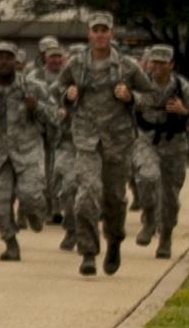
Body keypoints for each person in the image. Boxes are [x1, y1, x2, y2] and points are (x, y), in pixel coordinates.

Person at [55, 15, 145, 278]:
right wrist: (67, 96)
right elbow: (57, 88)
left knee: (114, 198)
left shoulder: (127, 67)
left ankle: (114, 241)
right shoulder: (76, 64)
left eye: (105, 30)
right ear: (89, 35)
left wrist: (131, 97)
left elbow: (150, 96)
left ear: (112, 33)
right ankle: (88, 253)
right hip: (86, 140)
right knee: (86, 194)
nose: (101, 35)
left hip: (118, 142)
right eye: (96, 30)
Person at [0, 40, 57, 260]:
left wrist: (36, 107)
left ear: (16, 61)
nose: (4, 62)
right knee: (0, 205)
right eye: (0, 57)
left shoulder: (32, 87)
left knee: (30, 195)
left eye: (9, 57)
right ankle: (10, 244)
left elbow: (58, 115)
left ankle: (36, 214)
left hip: (27, 151)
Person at [127, 45, 189, 261]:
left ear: (172, 65)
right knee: (147, 177)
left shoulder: (181, 87)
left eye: (162, 62)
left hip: (175, 146)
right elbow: (125, 107)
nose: (157, 66)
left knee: (170, 198)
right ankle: (149, 218)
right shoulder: (140, 84)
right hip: (145, 141)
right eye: (154, 62)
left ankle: (165, 238)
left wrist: (184, 112)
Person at [36, 37, 75, 245]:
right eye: (52, 56)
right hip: (45, 133)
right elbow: (44, 103)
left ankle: (63, 213)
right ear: (45, 57)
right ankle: (49, 208)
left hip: (67, 136)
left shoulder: (68, 76)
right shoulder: (37, 77)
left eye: (59, 56)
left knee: (60, 176)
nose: (56, 60)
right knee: (48, 173)